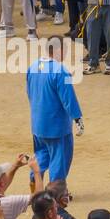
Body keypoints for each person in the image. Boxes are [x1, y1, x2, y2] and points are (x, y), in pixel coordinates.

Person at [25, 39, 84, 184]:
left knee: (41, 156)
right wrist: (78, 118)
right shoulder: (62, 71)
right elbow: (68, 98)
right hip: (57, 127)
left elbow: (29, 93)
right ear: (59, 51)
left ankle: (35, 187)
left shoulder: (32, 67)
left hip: (38, 125)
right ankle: (55, 192)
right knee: (60, 160)